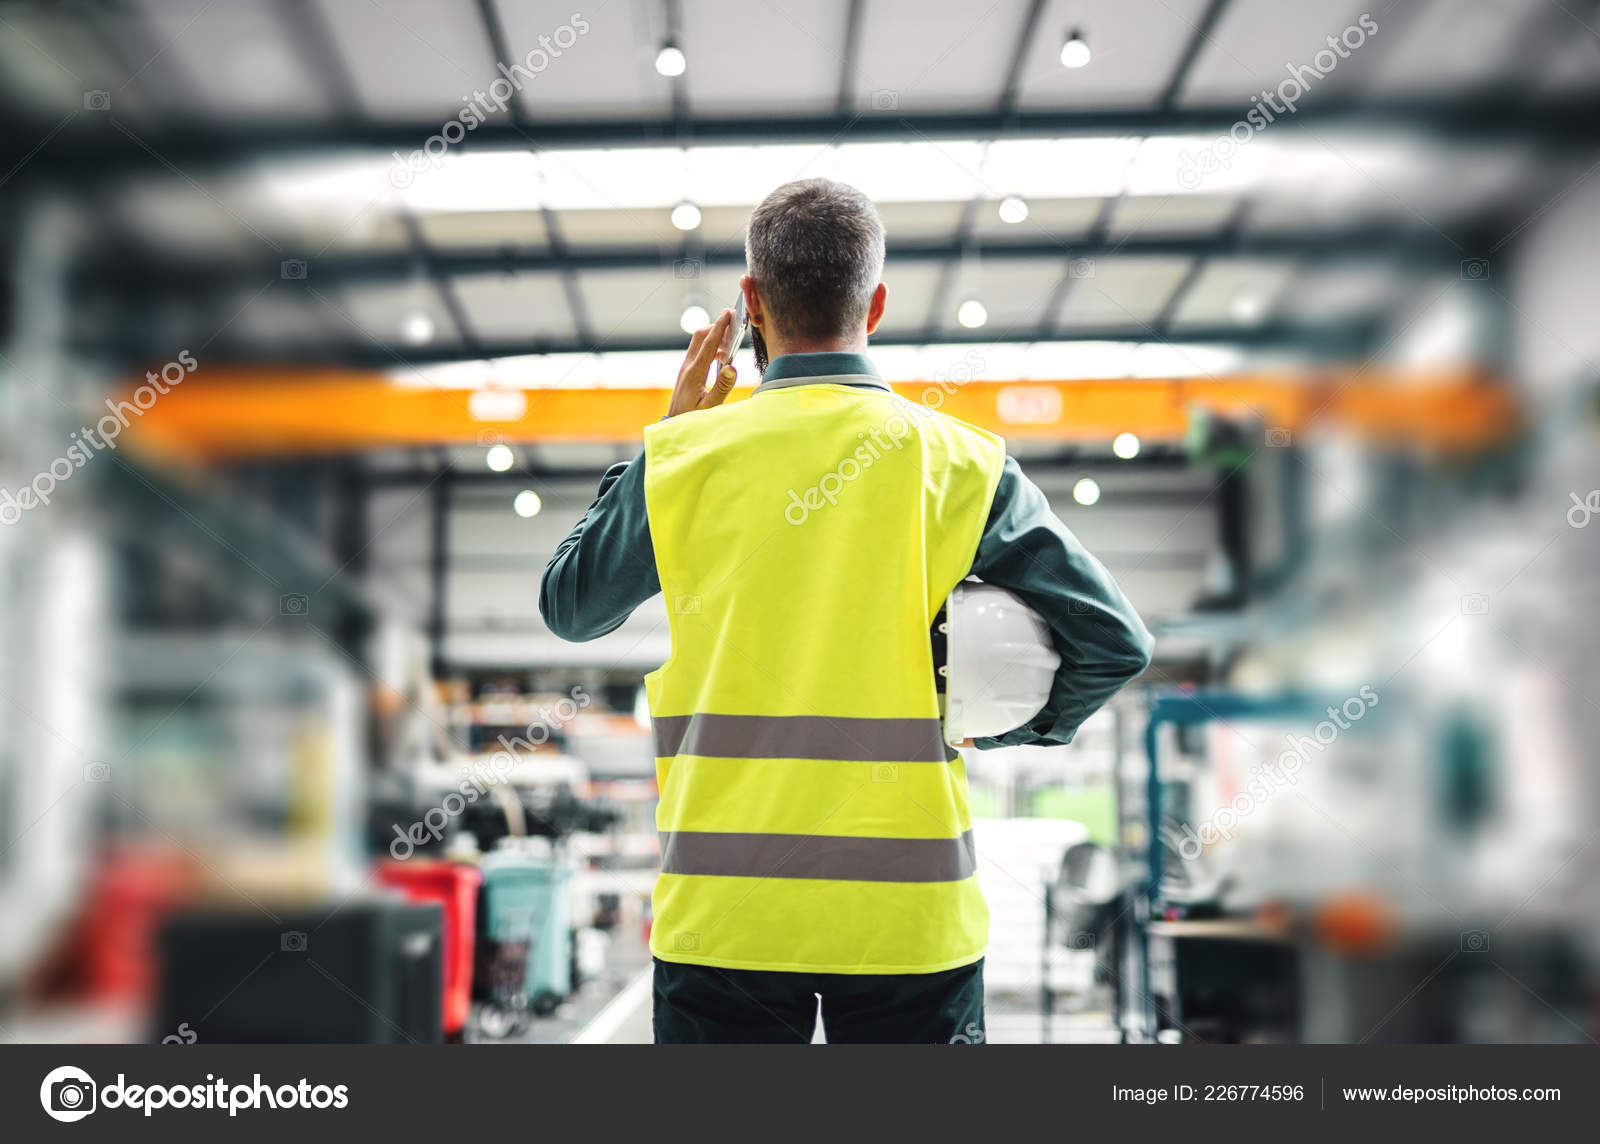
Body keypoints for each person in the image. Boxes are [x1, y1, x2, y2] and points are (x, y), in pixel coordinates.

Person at [540, 177, 1152, 1044]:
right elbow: (1115, 642)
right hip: (908, 920)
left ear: (750, 303)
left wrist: (665, 441)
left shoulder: (686, 460)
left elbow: (571, 607)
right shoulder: (959, 461)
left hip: (726, 915)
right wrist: (995, 727)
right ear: (878, 305)